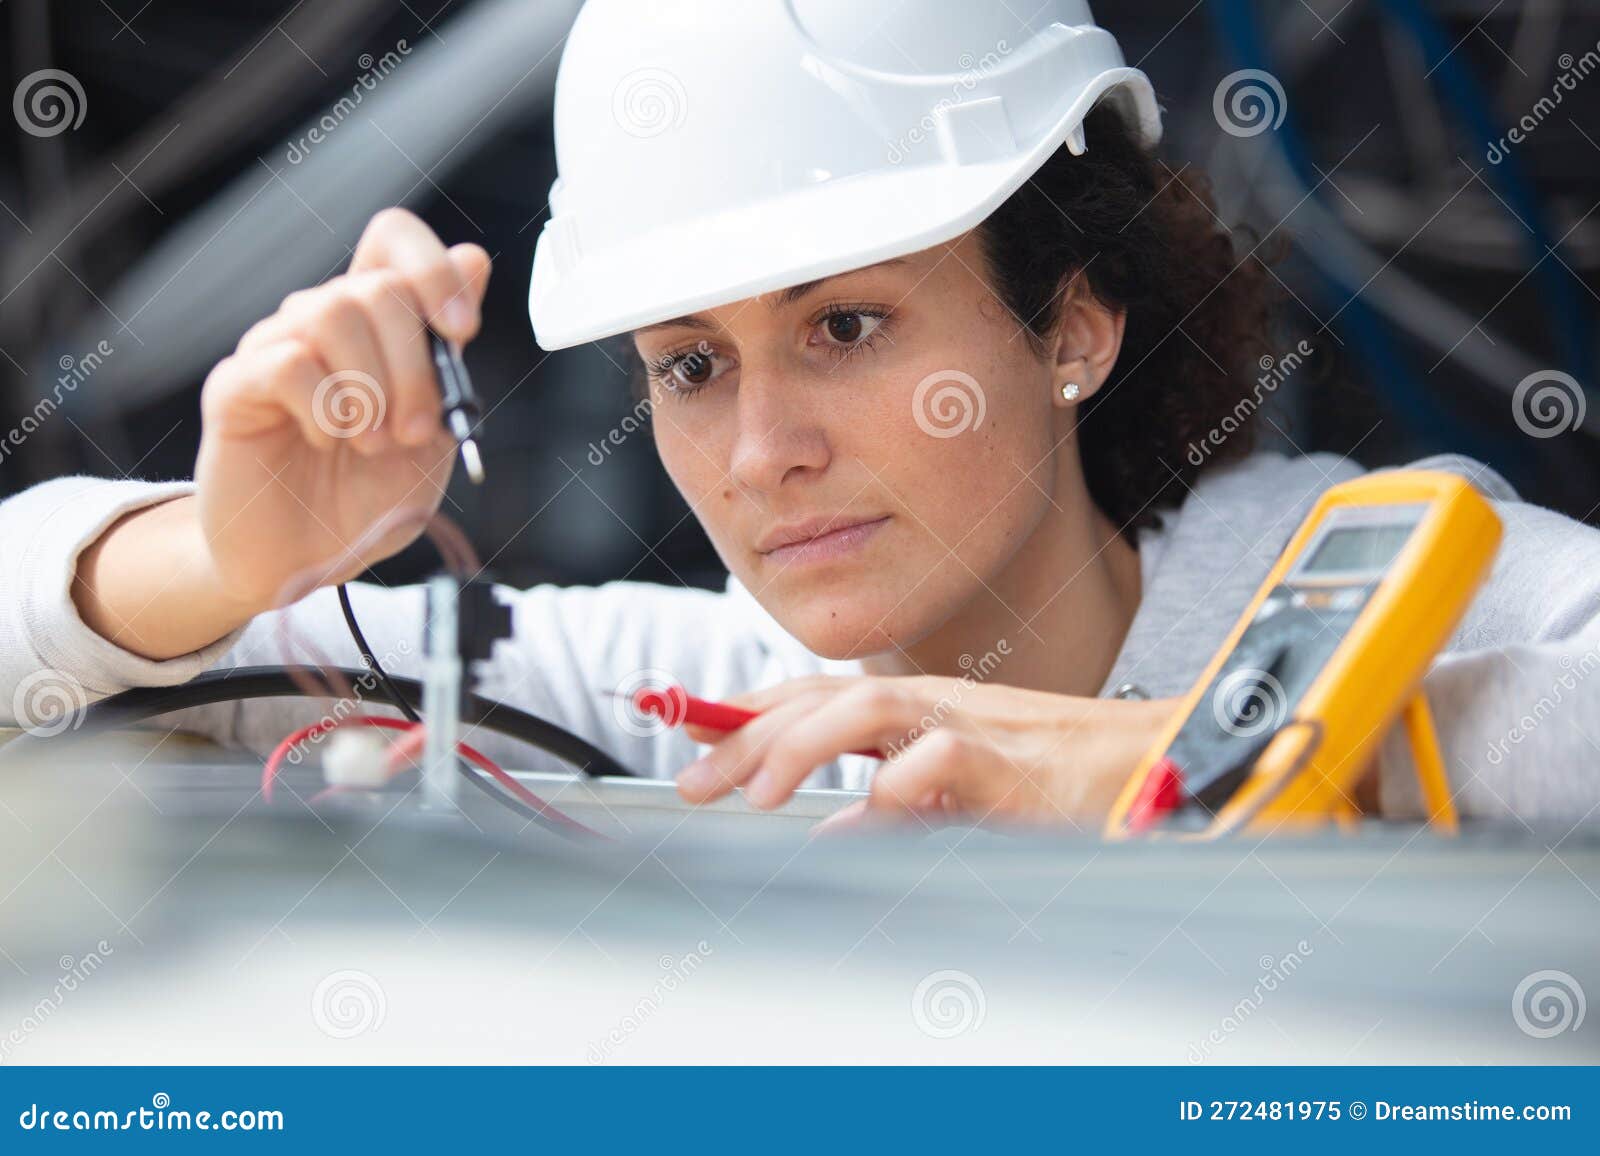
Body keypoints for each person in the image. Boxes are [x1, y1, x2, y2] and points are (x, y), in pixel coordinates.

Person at [1, 0, 1596, 829]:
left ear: (1079, 321)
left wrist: (1178, 767)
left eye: (845, 325)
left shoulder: (1398, 592)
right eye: (690, 366)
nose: (762, 455)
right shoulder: (712, 711)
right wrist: (218, 557)